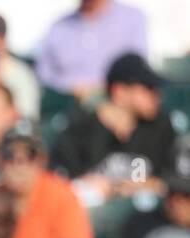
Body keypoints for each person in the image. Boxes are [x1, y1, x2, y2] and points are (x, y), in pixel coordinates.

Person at [52, 53, 179, 200]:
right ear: (119, 91)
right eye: (148, 88)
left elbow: (177, 179)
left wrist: (151, 185)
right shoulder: (80, 127)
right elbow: (58, 180)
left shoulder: (161, 126)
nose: (157, 95)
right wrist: (86, 183)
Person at [0, 123, 97, 238]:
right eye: (10, 155)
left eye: (30, 155)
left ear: (42, 160)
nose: (19, 163)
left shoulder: (61, 197)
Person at [35, 0, 149, 100]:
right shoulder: (59, 27)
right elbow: (45, 76)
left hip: (116, 105)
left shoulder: (131, 18)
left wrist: (104, 88)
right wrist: (72, 89)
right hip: (70, 108)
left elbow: (137, 68)